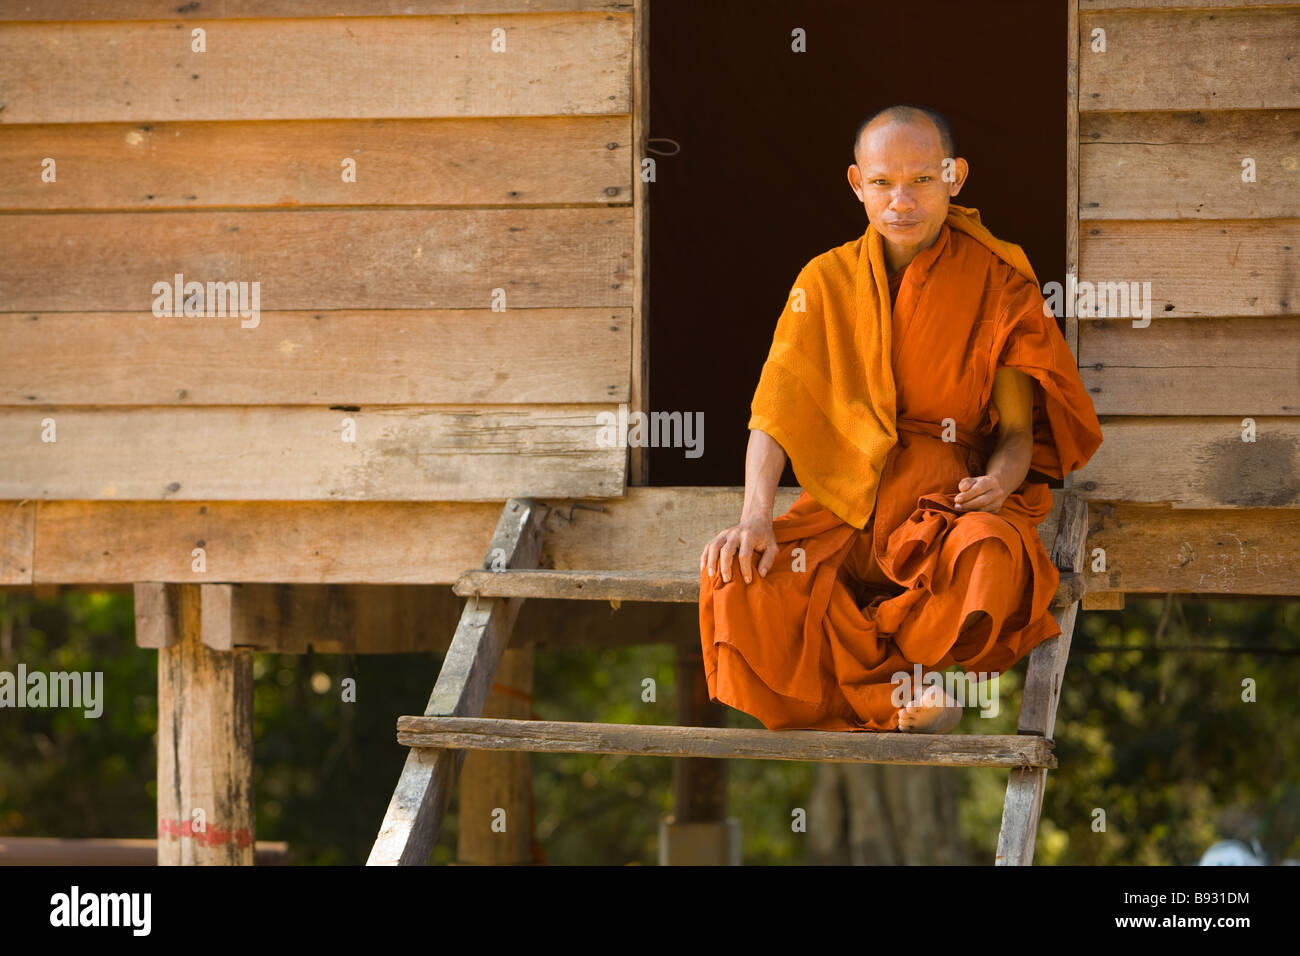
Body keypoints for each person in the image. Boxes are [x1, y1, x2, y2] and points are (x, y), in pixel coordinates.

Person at [698, 104, 1103, 734]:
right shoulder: (825, 281)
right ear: (856, 184)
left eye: (922, 180)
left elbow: (1017, 434)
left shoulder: (999, 286)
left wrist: (998, 484)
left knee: (989, 552)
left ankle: (919, 686)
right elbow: (774, 412)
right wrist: (755, 516)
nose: (901, 201)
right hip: (844, 502)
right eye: (883, 182)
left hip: (944, 507)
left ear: (955, 177)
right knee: (738, 577)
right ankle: (900, 698)